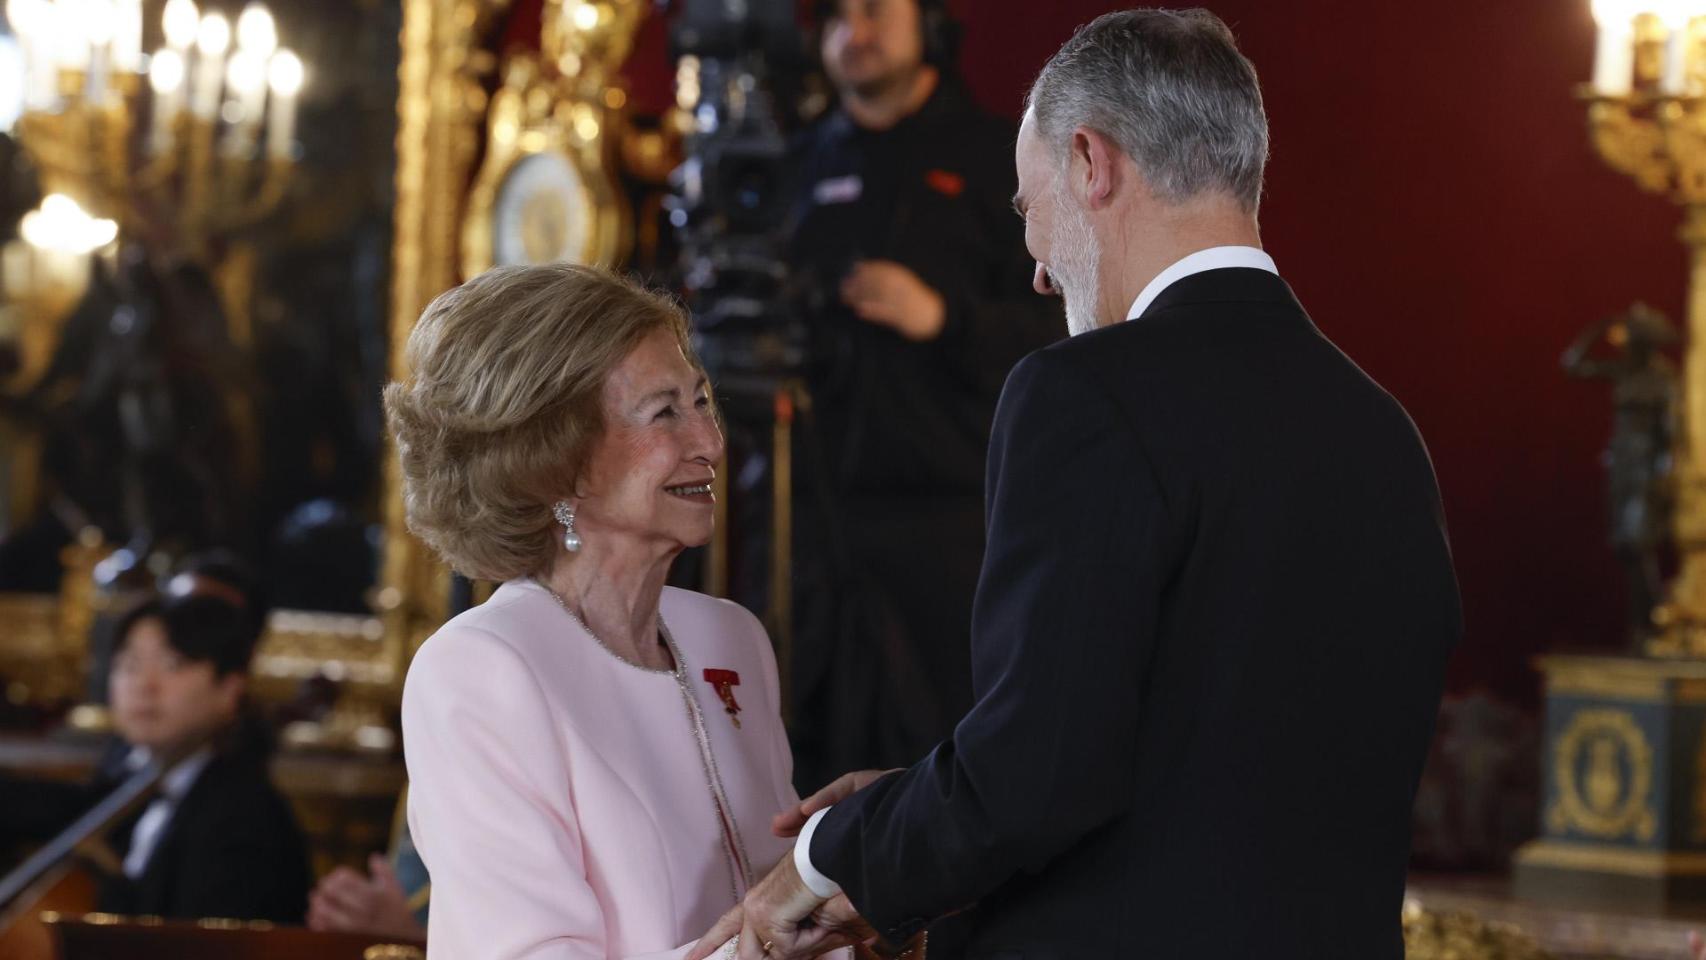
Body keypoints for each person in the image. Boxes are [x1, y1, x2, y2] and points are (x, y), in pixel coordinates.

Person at [692, 9, 1462, 959]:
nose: (1040, 270)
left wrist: (829, 853)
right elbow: (1198, 749)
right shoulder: (1384, 430)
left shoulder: (1082, 395)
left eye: (1028, 208)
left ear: (1092, 165)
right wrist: (912, 802)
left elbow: (1037, 773)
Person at [386, 264, 855, 960]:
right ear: (555, 462)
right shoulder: (480, 669)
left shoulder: (732, 639)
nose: (711, 444)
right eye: (664, 412)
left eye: (702, 402)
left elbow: (785, 903)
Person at [783, 0, 1061, 791]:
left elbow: (1068, 322)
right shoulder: (787, 166)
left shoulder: (996, 157)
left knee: (948, 757)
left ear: (930, 24)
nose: (854, 31)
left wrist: (941, 317)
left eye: (875, 10)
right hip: (807, 515)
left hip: (951, 520)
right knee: (801, 759)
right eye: (836, 16)